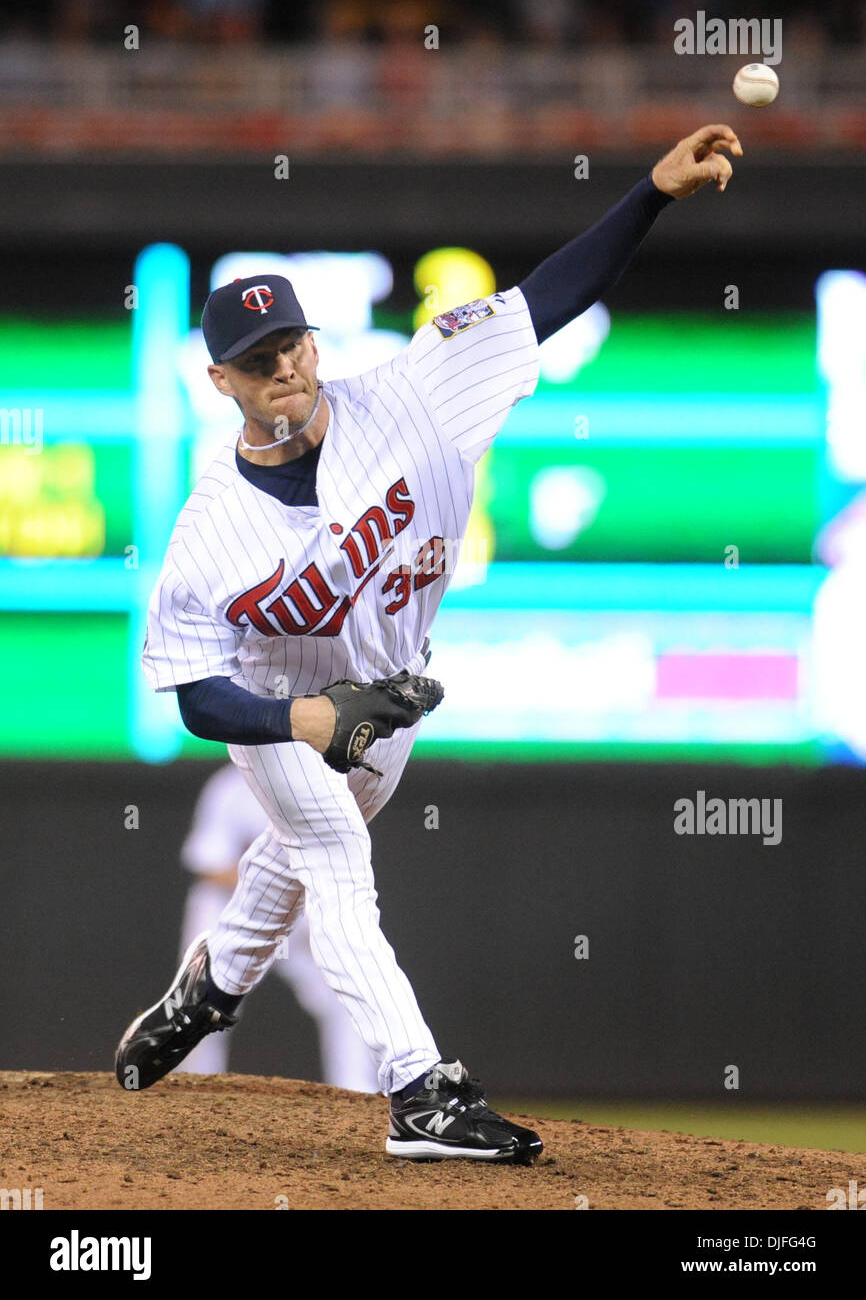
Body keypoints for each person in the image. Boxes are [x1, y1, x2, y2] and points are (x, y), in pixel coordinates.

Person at [115, 125, 742, 1164]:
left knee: (310, 847)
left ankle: (213, 980)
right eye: (256, 360)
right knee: (332, 853)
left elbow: (545, 300)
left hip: (388, 702)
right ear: (220, 380)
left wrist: (649, 195)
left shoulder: (413, 395)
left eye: (293, 344)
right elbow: (191, 694)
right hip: (285, 712)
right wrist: (299, 720)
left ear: (314, 340)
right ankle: (420, 1091)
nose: (284, 368)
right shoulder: (206, 535)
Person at [177, 762, 379, 1091]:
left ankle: (357, 1093)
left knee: (346, 991)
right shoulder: (230, 787)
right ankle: (194, 1088)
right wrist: (273, 886)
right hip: (232, 909)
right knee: (202, 1000)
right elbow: (208, 864)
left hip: (300, 910)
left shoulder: (316, 783)